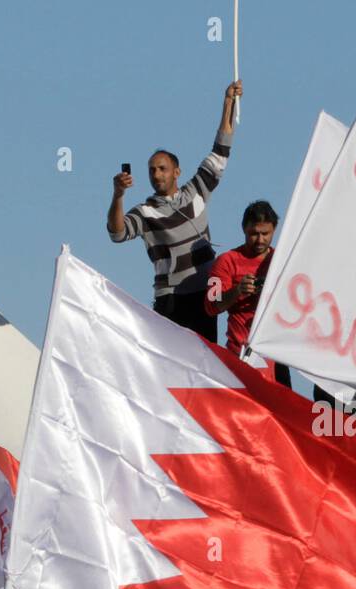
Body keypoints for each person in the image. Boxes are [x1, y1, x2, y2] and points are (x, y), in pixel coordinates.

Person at [107, 81, 242, 343]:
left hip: (204, 296)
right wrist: (118, 195)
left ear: (176, 172)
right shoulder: (146, 213)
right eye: (152, 170)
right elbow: (117, 233)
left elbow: (221, 151)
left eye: (162, 168)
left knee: (205, 365)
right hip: (170, 300)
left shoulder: (197, 191)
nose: (156, 174)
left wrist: (228, 102)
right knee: (171, 369)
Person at [205, 200, 290, 385]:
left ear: (274, 229)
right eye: (254, 234)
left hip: (276, 356)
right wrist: (237, 291)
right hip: (240, 354)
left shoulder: (283, 261)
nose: (260, 240)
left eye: (265, 234)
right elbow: (211, 306)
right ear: (244, 229)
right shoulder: (226, 261)